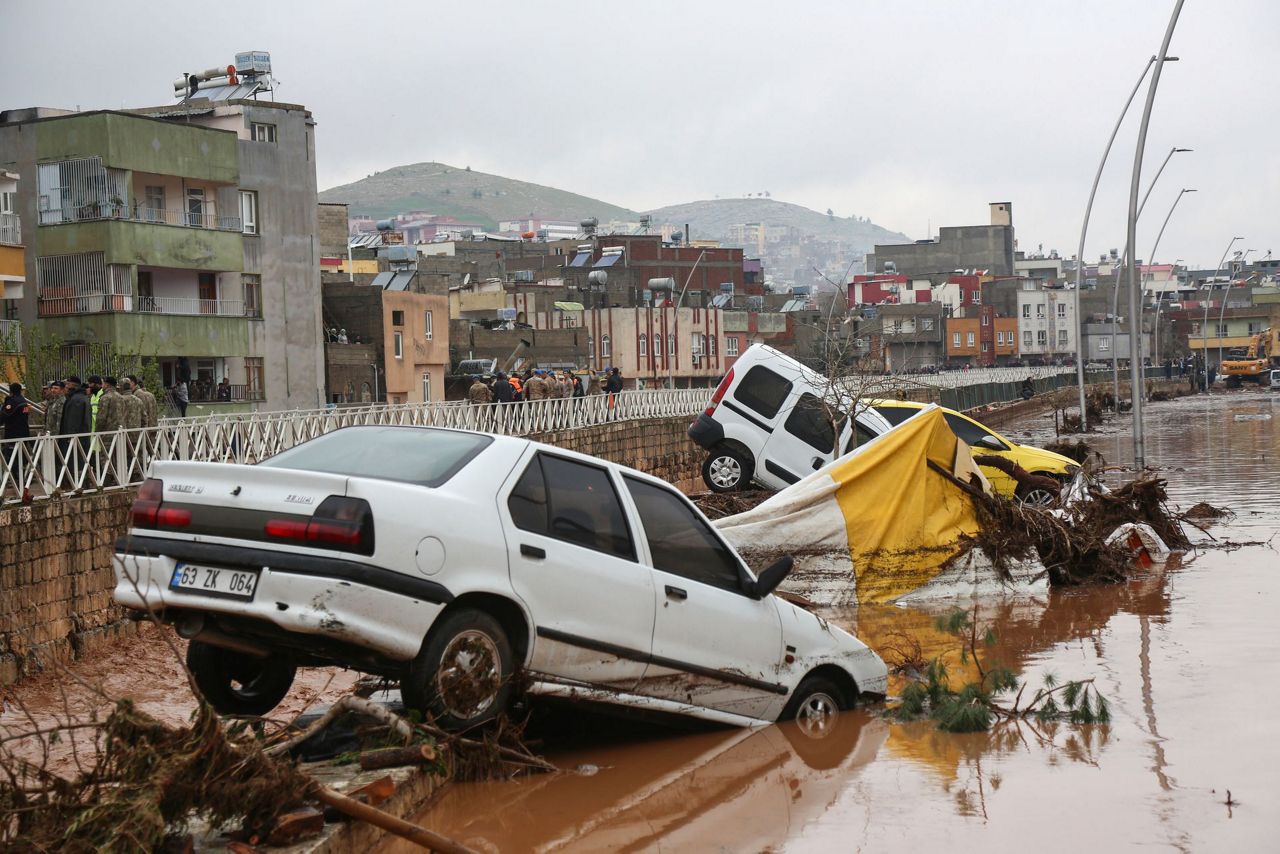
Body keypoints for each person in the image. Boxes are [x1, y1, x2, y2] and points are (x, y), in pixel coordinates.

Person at [1, 382, 32, 484]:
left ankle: (18, 482)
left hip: (13, 434)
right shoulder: (23, 401)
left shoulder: (12, 402)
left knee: (11, 458)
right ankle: (21, 481)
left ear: (11, 391)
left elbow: (4, 415)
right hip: (24, 432)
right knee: (20, 458)